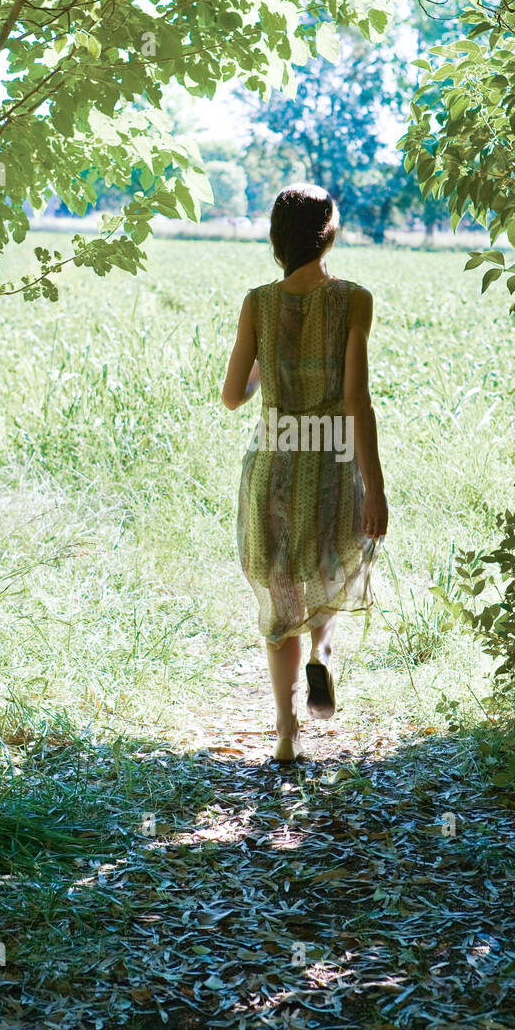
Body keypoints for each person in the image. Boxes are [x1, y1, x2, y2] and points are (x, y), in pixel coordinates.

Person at [221, 183, 388, 762]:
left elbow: (232, 396)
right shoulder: (354, 300)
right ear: (329, 232)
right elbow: (356, 401)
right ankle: (322, 650)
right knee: (329, 562)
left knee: (280, 588)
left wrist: (274, 359)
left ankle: (287, 732)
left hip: (272, 462)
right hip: (333, 462)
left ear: (277, 237)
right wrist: (378, 489)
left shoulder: (257, 303)